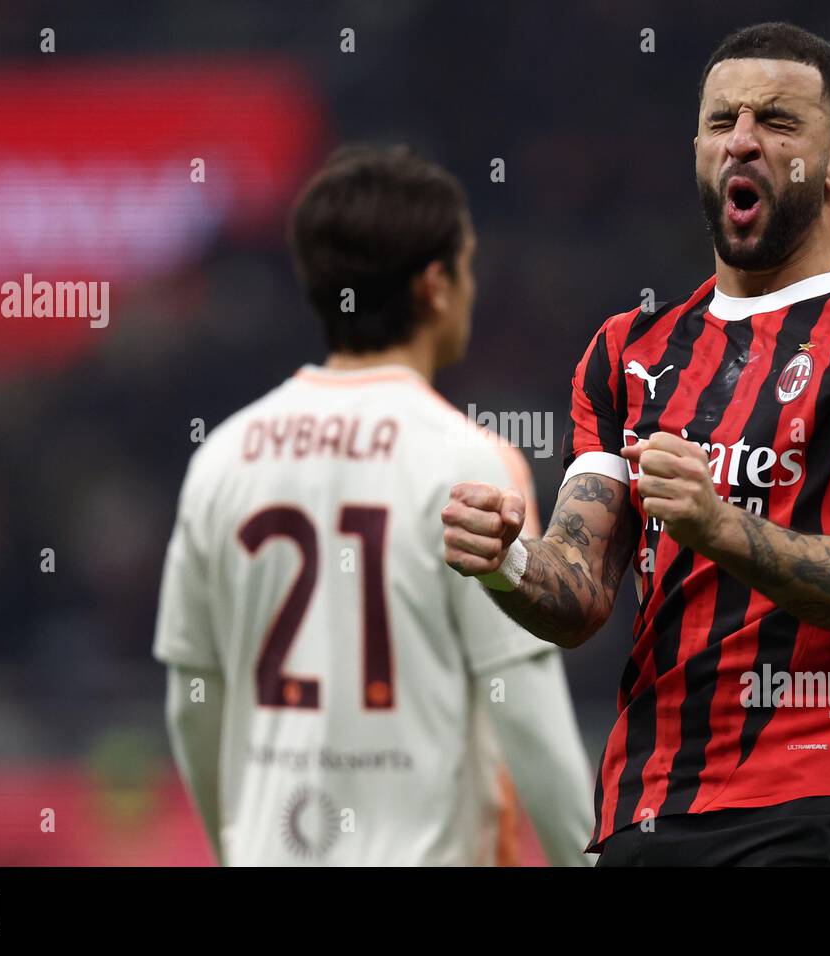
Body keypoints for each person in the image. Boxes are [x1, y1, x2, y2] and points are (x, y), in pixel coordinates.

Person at [442, 22, 830, 866]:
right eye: (721, 120)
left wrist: (719, 525)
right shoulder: (629, 350)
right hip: (648, 806)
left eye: (776, 121)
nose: (741, 140)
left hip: (823, 799)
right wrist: (506, 561)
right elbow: (580, 595)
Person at [156, 144, 594, 865]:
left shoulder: (221, 460)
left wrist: (236, 848)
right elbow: (531, 719)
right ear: (435, 285)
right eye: (468, 265)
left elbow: (191, 703)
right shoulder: (472, 463)